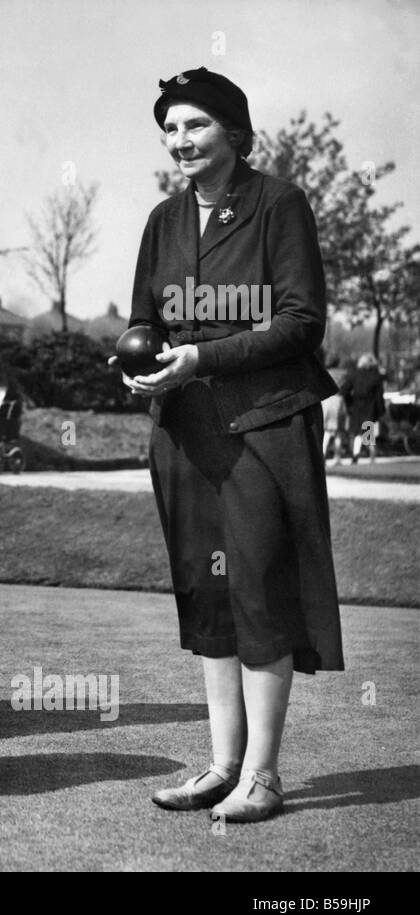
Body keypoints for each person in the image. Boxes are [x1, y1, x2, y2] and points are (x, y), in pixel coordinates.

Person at [120, 69, 344, 822]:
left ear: (234, 133)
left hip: (265, 423)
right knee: (208, 590)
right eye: (171, 129)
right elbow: (143, 320)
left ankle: (265, 774)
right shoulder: (163, 218)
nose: (180, 141)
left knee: (259, 589)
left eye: (195, 126)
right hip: (185, 428)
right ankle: (222, 765)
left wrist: (203, 357)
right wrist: (142, 368)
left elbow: (300, 321)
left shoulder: (279, 203)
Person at [341, 353, 386, 463]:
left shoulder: (354, 374)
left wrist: (349, 403)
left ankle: (355, 455)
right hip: (369, 407)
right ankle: (371, 456)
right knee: (367, 431)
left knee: (357, 432)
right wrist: (381, 411)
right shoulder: (376, 377)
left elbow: (344, 390)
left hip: (356, 406)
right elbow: (379, 396)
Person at [321, 354, 349, 464]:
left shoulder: (324, 372)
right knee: (338, 432)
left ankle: (322, 454)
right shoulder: (344, 374)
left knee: (327, 431)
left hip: (326, 401)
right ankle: (337, 457)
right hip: (339, 401)